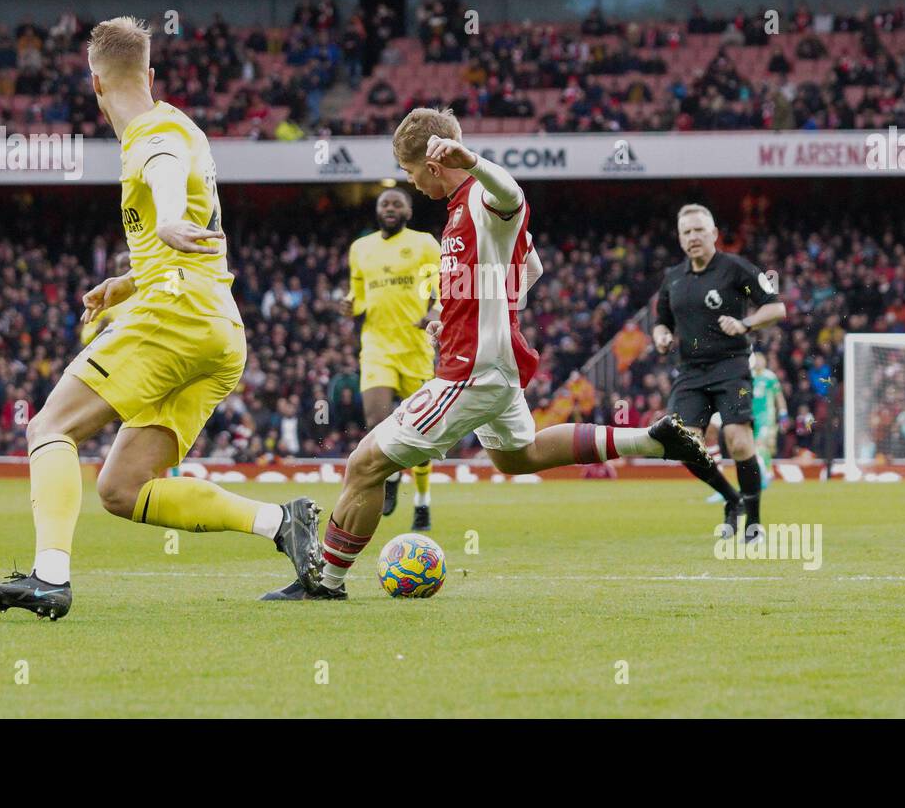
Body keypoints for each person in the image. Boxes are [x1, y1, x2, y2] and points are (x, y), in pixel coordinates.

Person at [263, 107, 714, 600]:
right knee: (520, 456)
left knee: (364, 464)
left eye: (414, 174)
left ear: (435, 166)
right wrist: (456, 316)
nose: (413, 185)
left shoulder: (479, 197)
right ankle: (652, 441)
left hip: (470, 373)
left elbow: (513, 196)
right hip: (490, 363)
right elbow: (531, 268)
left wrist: (473, 161)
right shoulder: (459, 211)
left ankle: (325, 583)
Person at [0, 16, 322, 620]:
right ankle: (282, 523)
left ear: (94, 84)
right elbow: (189, 215)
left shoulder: (151, 134)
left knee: (49, 428)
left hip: (175, 315)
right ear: (149, 75)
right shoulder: (186, 126)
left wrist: (169, 218)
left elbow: (163, 169)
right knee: (122, 489)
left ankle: (50, 578)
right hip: (218, 329)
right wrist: (128, 282)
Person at [653, 204, 786, 541]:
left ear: (713, 234)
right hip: (690, 372)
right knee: (684, 444)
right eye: (687, 232)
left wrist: (745, 323)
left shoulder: (736, 269)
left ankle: (753, 520)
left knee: (739, 441)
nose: (693, 237)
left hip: (731, 367)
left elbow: (776, 307)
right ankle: (732, 499)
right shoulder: (673, 279)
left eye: (699, 230)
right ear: (680, 239)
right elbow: (661, 323)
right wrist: (662, 338)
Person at [342, 188, 441, 530]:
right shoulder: (361, 248)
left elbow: (440, 287)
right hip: (377, 345)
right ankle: (392, 475)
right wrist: (349, 304)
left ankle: (423, 501)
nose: (390, 208)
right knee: (377, 418)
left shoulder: (425, 243)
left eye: (397, 203)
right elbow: (357, 295)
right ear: (377, 211)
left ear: (408, 212)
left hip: (416, 346)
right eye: (385, 203)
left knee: (424, 430)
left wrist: (436, 312)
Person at [750, 351, 787, 488]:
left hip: (766, 417)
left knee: (760, 444)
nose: (759, 362)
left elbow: (779, 396)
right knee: (755, 447)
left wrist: (783, 413)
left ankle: (766, 474)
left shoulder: (770, 377)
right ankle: (766, 472)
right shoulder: (750, 377)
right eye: (756, 360)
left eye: (761, 360)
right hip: (751, 417)